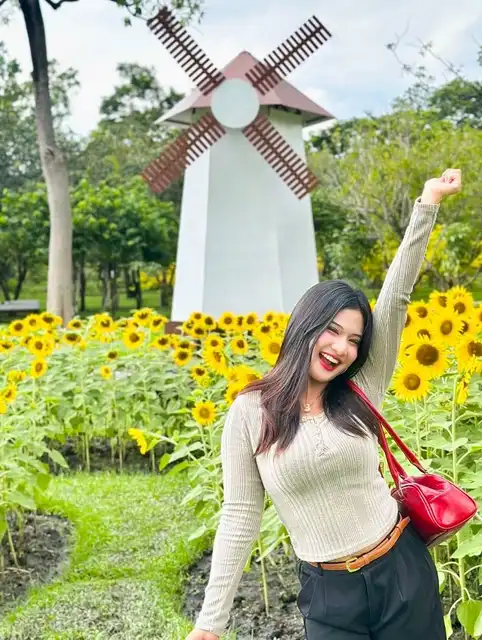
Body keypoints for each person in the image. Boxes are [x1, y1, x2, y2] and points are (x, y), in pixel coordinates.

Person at [188, 169, 462, 640]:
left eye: (354, 340)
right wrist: (209, 624)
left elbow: (395, 298)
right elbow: (240, 515)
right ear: (304, 326)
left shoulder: (361, 389)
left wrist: (428, 203)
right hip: (328, 593)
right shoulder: (250, 412)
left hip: (401, 569)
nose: (342, 348)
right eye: (332, 330)